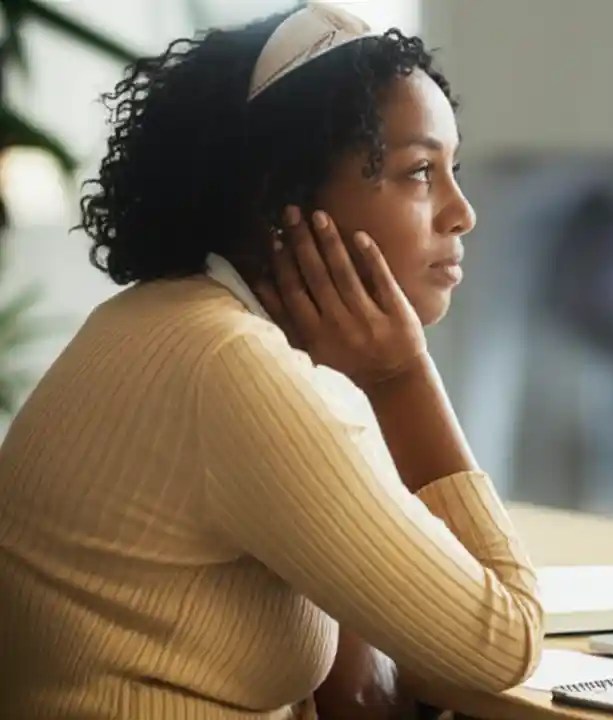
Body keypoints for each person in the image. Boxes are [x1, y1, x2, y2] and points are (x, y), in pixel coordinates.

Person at [0, 4, 542, 719]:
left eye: (453, 169)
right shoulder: (234, 366)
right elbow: (504, 644)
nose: (462, 211)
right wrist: (399, 376)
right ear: (281, 200)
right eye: (418, 172)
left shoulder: (165, 320)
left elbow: (350, 693)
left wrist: (355, 379)